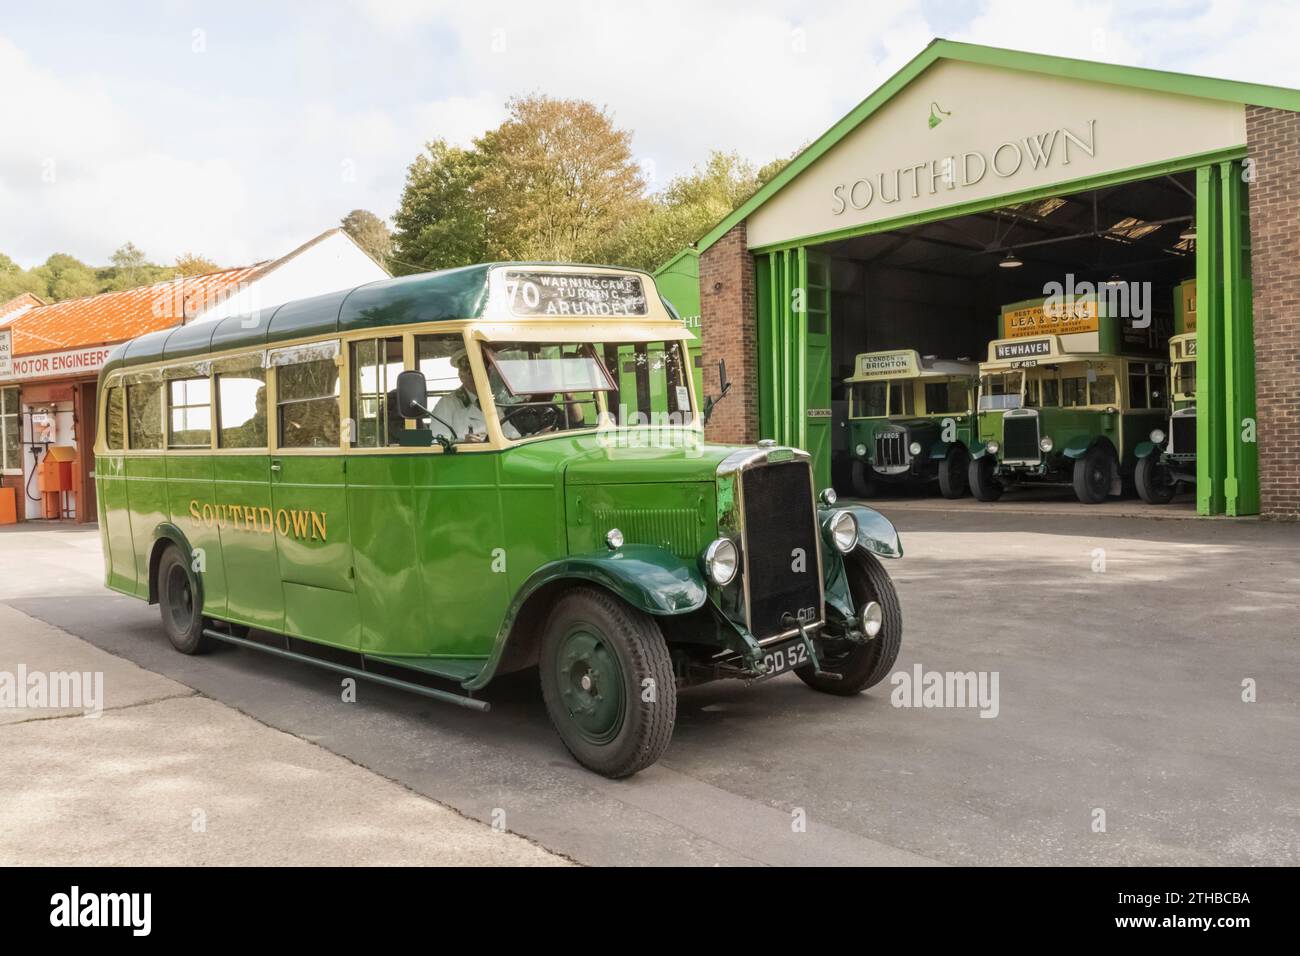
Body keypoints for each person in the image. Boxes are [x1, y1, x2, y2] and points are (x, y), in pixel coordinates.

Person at [430, 349, 520, 442]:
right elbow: (437, 442)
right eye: (469, 371)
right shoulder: (447, 403)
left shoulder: (491, 402)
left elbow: (512, 434)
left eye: (482, 369)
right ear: (461, 375)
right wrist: (463, 444)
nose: (475, 375)